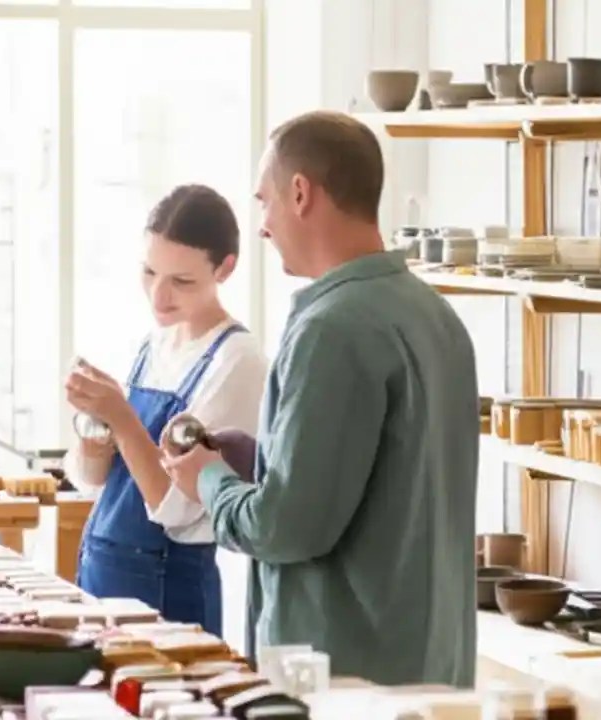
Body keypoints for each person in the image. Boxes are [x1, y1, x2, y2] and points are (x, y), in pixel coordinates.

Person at [162, 111, 480, 687]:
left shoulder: (330, 329)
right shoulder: (437, 317)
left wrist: (208, 480)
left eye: (265, 201)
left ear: (301, 193)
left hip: (342, 680)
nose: (261, 224)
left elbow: (286, 529)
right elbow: (384, 487)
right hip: (432, 670)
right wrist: (260, 459)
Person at [64, 184, 268, 639]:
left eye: (182, 281)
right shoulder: (154, 344)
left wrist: (120, 417)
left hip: (168, 584)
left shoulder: (237, 359)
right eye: (150, 272)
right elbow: (95, 481)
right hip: (104, 568)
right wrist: (93, 430)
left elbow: (175, 507)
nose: (159, 296)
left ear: (226, 268)